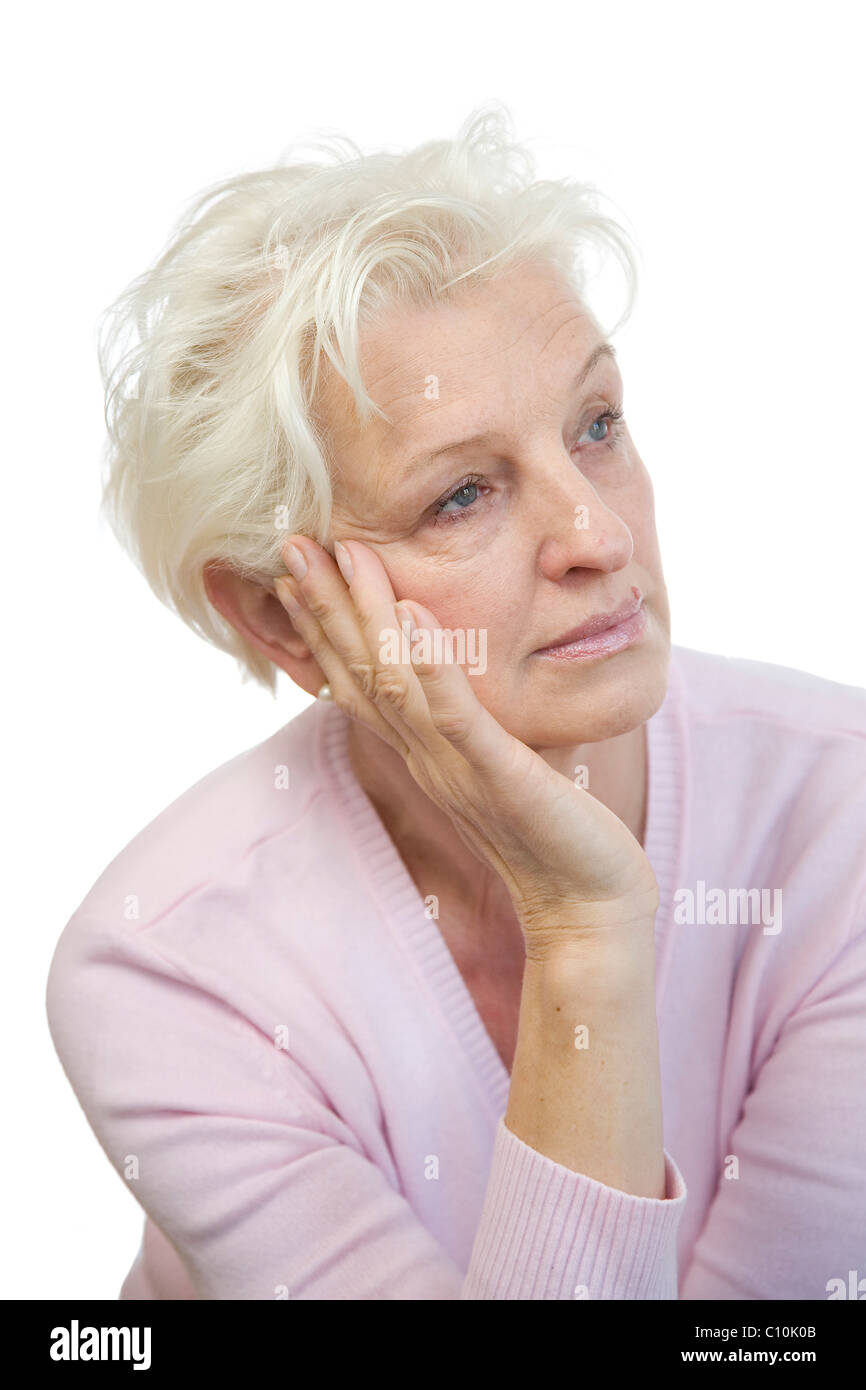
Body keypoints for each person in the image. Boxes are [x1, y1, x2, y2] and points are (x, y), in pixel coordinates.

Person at [46, 105, 866, 1300]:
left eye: (595, 424)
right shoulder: (168, 964)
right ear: (279, 617)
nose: (594, 534)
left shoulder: (841, 826)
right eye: (461, 495)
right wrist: (583, 927)